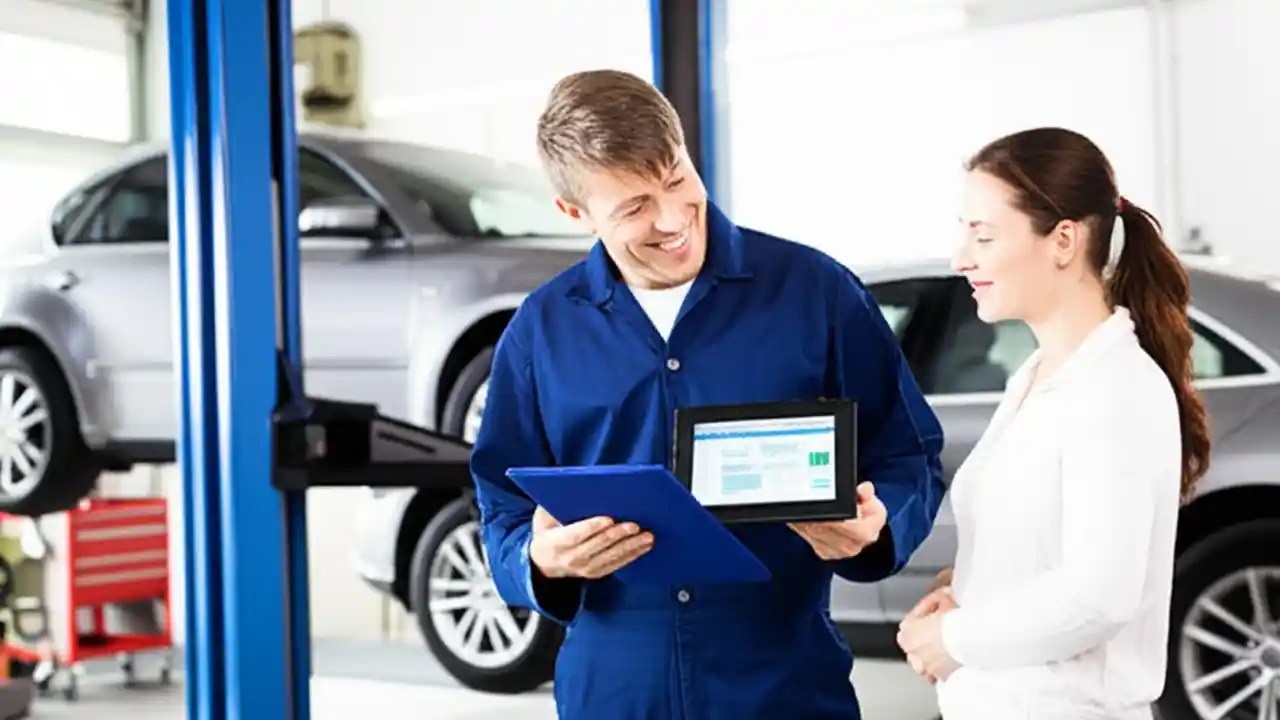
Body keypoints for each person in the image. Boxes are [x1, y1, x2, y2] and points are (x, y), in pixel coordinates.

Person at [469, 69, 946, 719]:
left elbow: (906, 455)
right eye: (634, 207)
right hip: (613, 693)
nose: (671, 220)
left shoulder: (816, 293)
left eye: (676, 180)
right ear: (574, 213)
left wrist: (879, 525)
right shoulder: (540, 331)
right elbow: (501, 506)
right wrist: (537, 557)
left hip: (785, 686)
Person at [895, 127, 1212, 719]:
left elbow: (1097, 596)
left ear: (1063, 240)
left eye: (983, 235)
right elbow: (1041, 553)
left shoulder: (1115, 389)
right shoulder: (1037, 377)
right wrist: (959, 596)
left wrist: (955, 639)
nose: (960, 257)